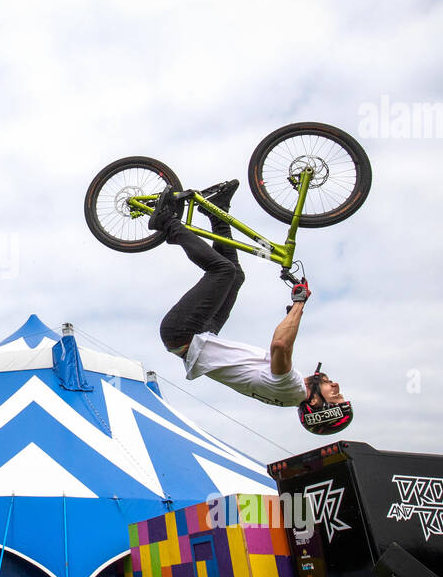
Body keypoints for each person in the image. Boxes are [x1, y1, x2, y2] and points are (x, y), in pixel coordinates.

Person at [149, 180, 353, 435]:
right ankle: (217, 210)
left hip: (183, 334)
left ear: (314, 403)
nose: (335, 386)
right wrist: (293, 314)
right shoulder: (289, 393)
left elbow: (280, 345)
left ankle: (166, 223)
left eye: (335, 396)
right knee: (235, 276)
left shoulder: (291, 389)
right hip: (201, 337)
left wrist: (299, 304)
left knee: (222, 271)